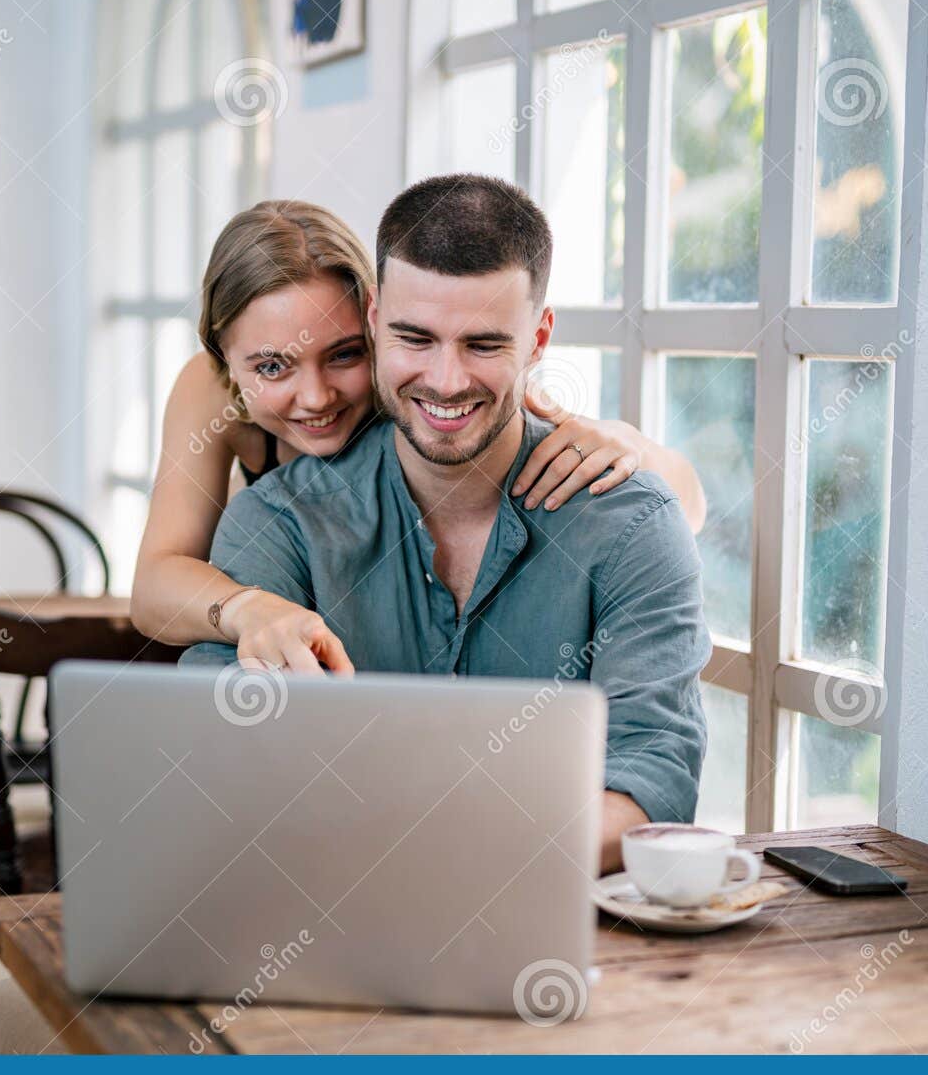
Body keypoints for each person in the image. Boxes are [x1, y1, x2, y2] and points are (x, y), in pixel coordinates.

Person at [182, 175, 712, 872]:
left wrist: (454, 855)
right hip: (327, 922)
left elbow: (655, 777)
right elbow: (229, 756)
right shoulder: (279, 519)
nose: (447, 379)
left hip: (563, 939)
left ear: (540, 336)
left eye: (485, 345)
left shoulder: (632, 522)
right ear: (373, 321)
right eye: (415, 337)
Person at [130, 200, 706, 670]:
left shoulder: (433, 390)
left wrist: (629, 442)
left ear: (376, 327)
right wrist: (246, 607)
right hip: (263, 618)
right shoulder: (212, 398)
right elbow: (155, 583)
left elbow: (683, 505)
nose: (316, 397)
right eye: (272, 367)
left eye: (345, 354)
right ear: (224, 359)